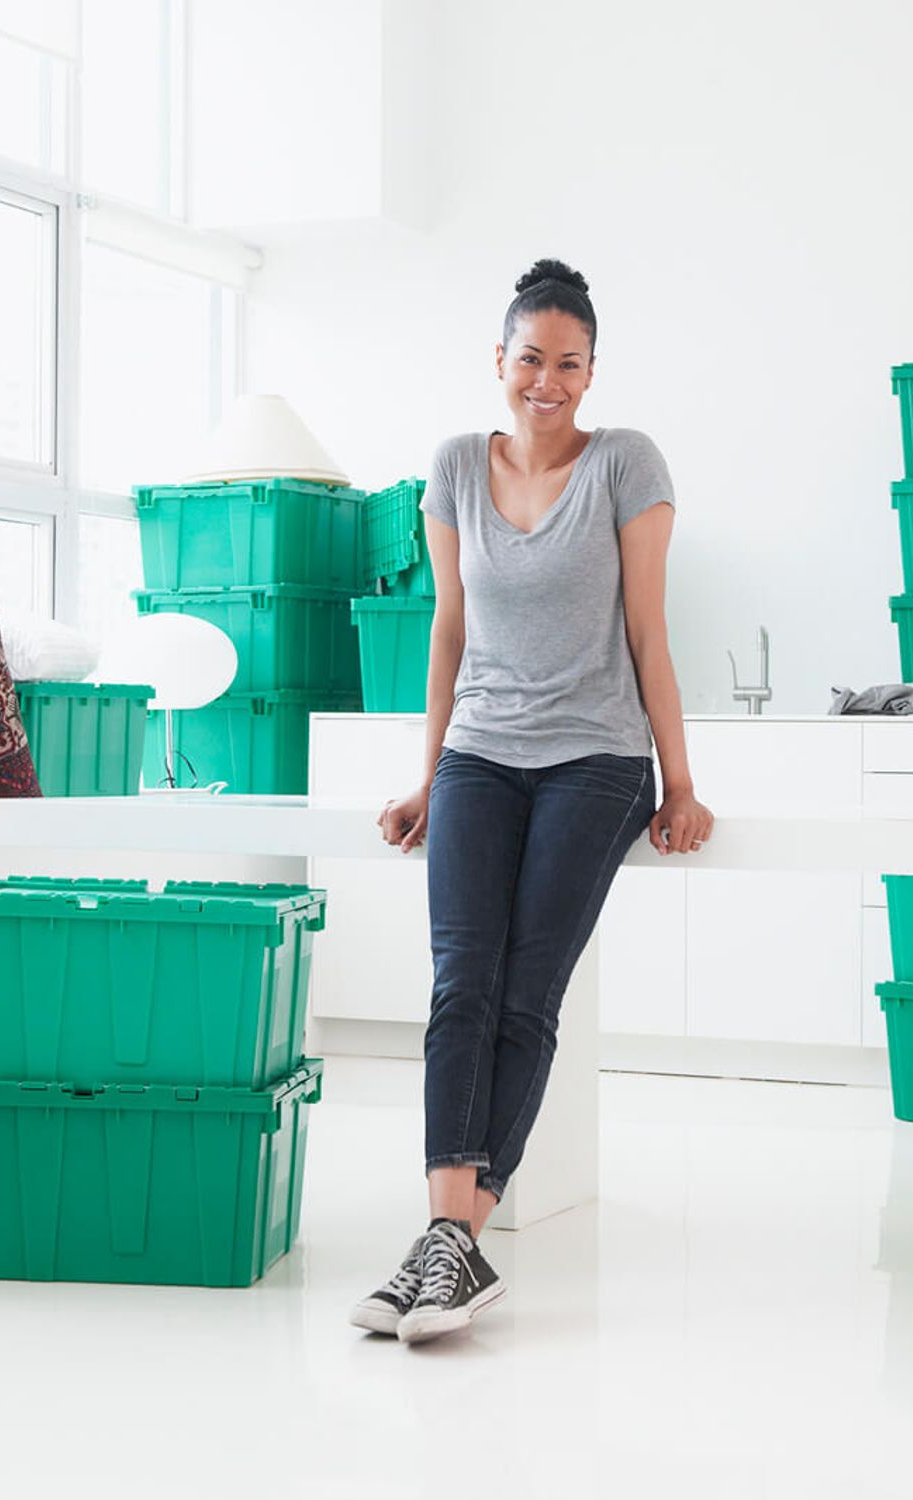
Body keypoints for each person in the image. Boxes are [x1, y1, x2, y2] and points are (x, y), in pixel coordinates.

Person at [349, 257, 714, 1346]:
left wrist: (680, 781)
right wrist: (428, 771)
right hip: (479, 757)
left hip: (594, 762)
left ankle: (452, 1243)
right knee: (460, 984)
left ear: (590, 373)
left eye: (566, 364)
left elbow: (649, 631)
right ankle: (448, 1243)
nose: (544, 381)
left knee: (525, 993)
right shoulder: (457, 465)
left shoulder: (625, 466)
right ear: (497, 363)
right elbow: (447, 632)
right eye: (527, 360)